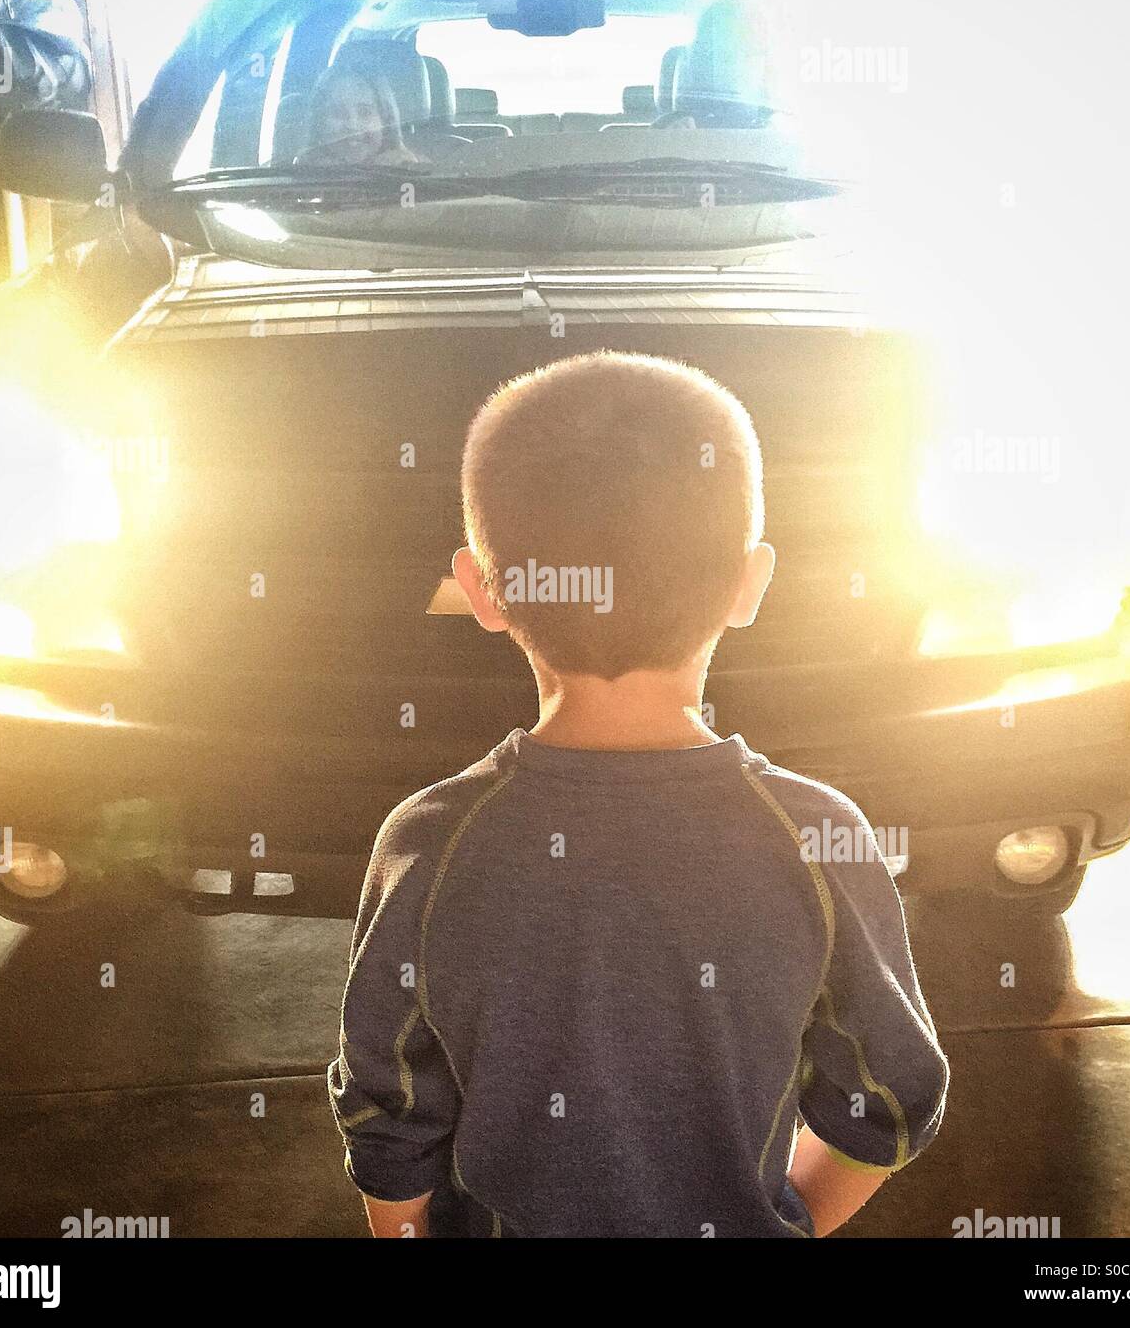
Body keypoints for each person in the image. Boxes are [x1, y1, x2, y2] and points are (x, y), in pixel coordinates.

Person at [327, 351, 948, 1238]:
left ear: (482, 592)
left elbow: (389, 1120)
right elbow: (888, 1098)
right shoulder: (816, 838)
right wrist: (790, 1223)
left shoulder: (427, 844)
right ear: (749, 584)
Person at [295, 62, 422, 167]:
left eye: (365, 112)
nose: (352, 125)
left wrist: (407, 173)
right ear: (319, 122)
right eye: (338, 112)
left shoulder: (420, 180)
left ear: (385, 120)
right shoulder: (297, 181)